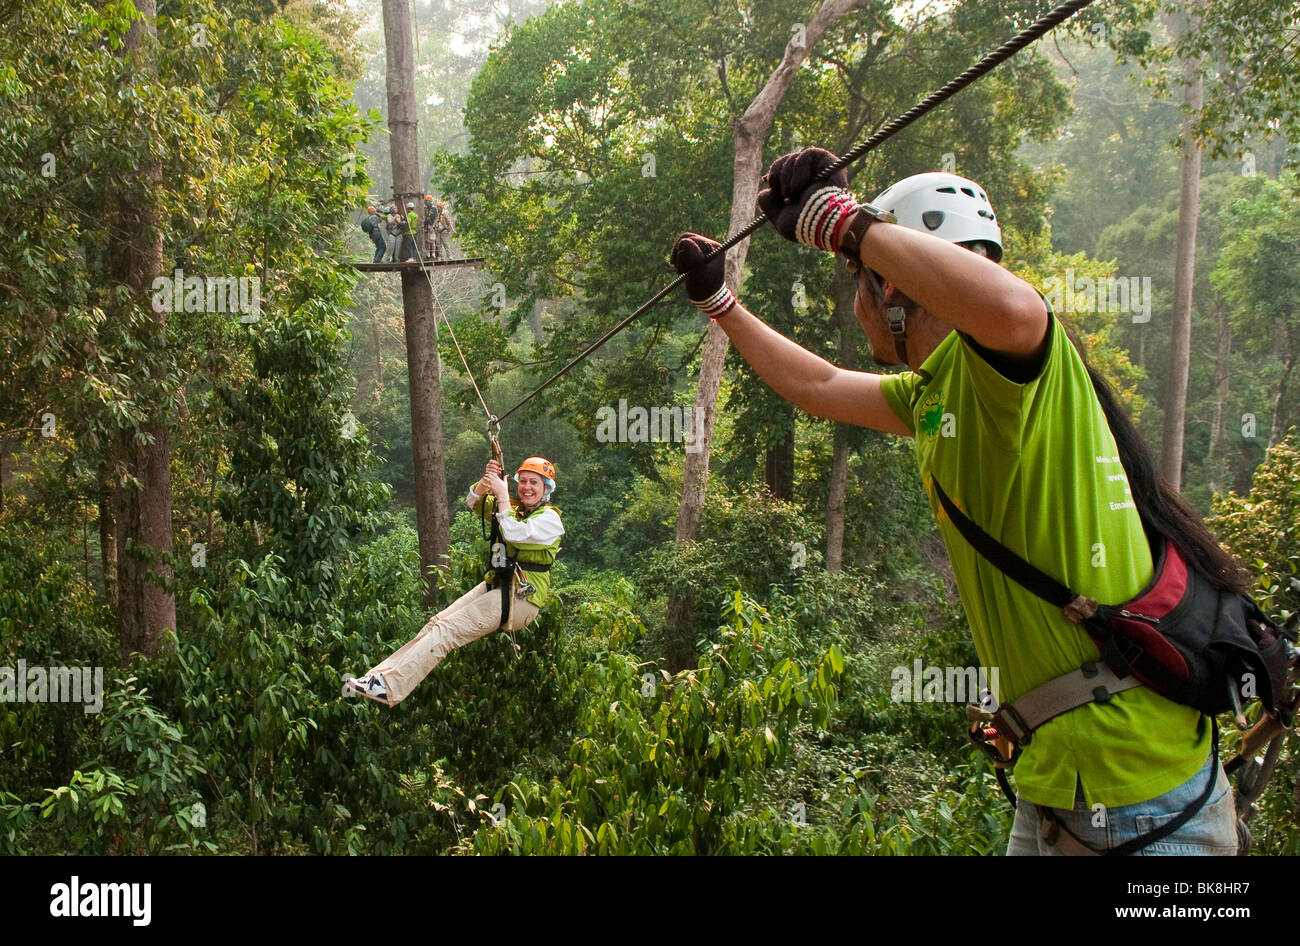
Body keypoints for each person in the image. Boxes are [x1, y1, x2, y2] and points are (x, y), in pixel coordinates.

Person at [670, 147, 1247, 855]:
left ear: (890, 290)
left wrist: (845, 224)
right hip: (1057, 783)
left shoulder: (1019, 373)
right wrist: (720, 304)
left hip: (1140, 799)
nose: (856, 308)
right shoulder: (938, 395)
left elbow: (1012, 305)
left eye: (860, 285)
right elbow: (818, 387)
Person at [345, 456, 563, 706]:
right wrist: (485, 482)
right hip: (500, 585)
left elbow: (514, 533)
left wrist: (502, 495)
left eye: (534, 483)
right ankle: (378, 678)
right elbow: (473, 502)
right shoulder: (514, 509)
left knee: (447, 632)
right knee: (436, 624)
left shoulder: (549, 520)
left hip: (521, 599)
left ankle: (391, 687)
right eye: (523, 481)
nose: (526, 487)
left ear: (546, 488)